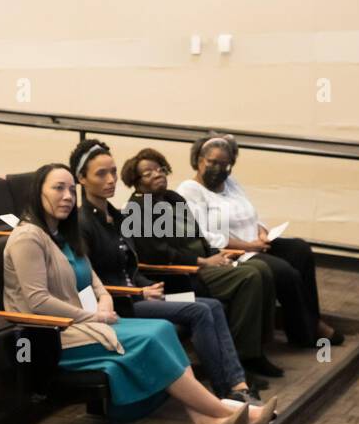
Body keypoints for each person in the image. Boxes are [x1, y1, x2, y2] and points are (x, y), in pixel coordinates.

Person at [3, 163, 277, 424]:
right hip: (49, 336)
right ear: (37, 192)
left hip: (82, 323)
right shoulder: (27, 238)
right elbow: (37, 301)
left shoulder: (63, 234)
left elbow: (94, 280)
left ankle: (208, 422)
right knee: (151, 337)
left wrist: (105, 300)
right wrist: (94, 315)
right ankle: (227, 413)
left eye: (71, 189)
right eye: (58, 188)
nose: (68, 196)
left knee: (160, 329)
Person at [72, 139, 263, 404]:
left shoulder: (115, 217)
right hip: (124, 304)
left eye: (113, 172)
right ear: (81, 179)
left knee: (212, 306)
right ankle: (227, 392)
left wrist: (147, 284)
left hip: (145, 297)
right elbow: (87, 282)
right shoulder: (84, 223)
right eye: (101, 174)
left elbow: (131, 266)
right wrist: (138, 289)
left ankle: (237, 384)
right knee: (198, 310)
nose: (110, 179)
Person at [122, 147, 284, 380]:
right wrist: (205, 261)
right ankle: (244, 356)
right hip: (182, 277)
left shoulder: (172, 198)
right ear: (135, 181)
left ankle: (256, 349)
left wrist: (219, 254)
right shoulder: (137, 209)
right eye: (147, 173)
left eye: (159, 169)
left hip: (204, 262)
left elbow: (196, 235)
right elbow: (156, 254)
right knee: (250, 277)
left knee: (262, 268)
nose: (157, 174)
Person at [176, 132, 343, 349]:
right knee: (284, 271)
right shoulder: (189, 191)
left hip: (256, 243)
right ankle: (307, 331)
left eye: (225, 164)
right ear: (199, 160)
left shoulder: (231, 183)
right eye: (213, 162)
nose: (219, 169)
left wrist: (263, 232)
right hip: (232, 253)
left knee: (300, 250)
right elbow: (206, 236)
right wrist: (250, 246)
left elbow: (251, 213)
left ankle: (311, 320)